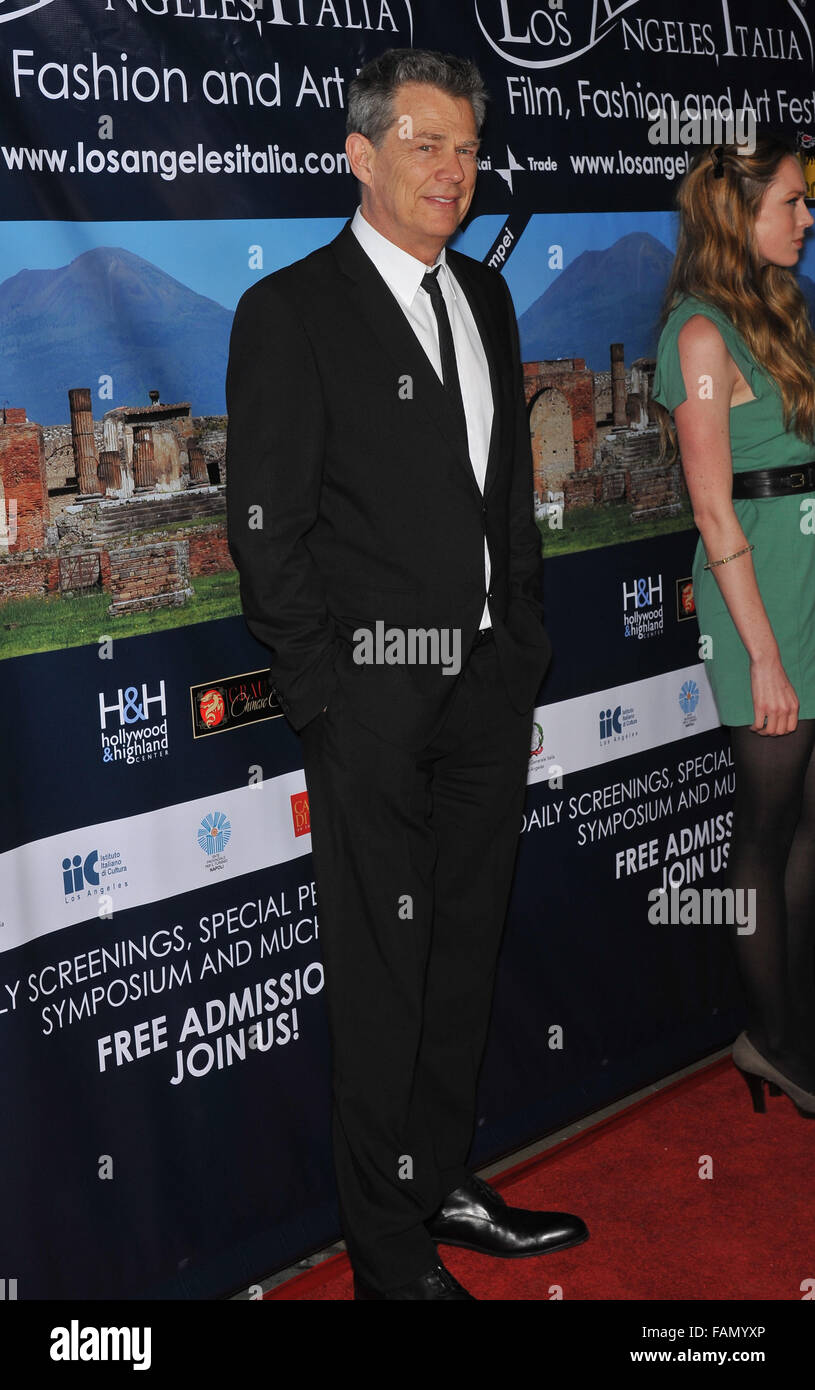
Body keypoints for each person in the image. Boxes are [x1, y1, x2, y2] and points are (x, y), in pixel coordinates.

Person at [225, 48, 588, 1299]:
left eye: (468, 147)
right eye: (426, 143)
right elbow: (264, 531)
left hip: (488, 694)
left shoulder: (483, 298)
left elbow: (503, 505)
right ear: (359, 155)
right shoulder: (292, 311)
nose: (453, 168)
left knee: (460, 953)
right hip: (371, 704)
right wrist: (328, 696)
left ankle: (438, 1176)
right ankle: (384, 1249)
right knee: (383, 975)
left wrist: (520, 635)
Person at [652, 136, 815, 1119]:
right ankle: (771, 1040)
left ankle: (790, 1019)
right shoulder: (698, 337)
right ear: (737, 212)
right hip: (757, 601)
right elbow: (713, 510)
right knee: (761, 830)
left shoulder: (783, 310)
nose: (805, 218)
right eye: (793, 201)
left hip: (808, 569)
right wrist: (759, 654)